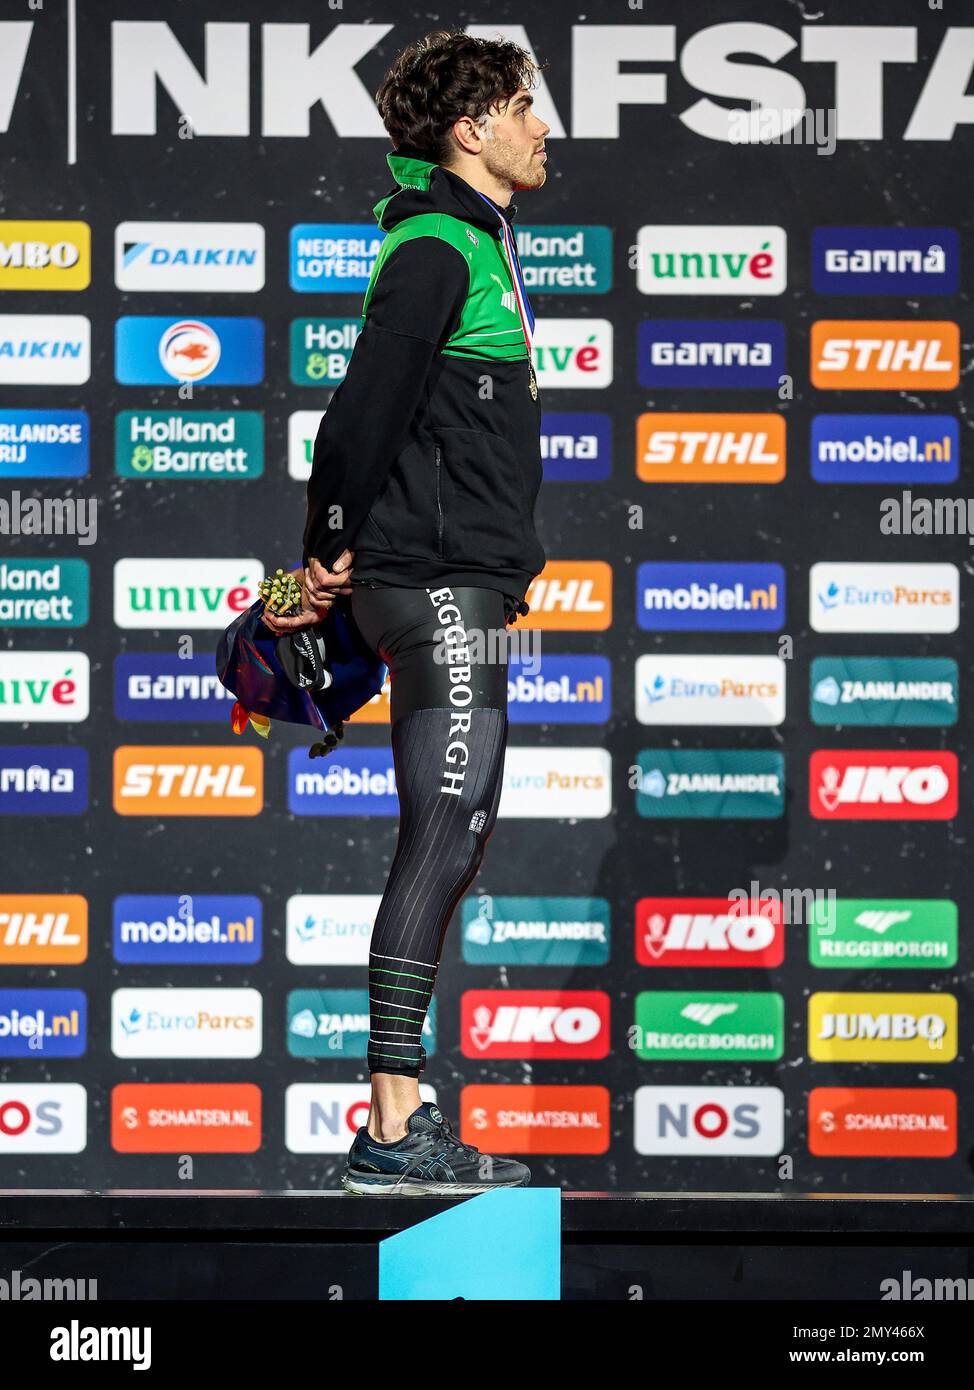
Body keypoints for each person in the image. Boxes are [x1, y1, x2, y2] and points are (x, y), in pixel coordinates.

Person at [262, 28, 549, 1194]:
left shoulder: (465, 240)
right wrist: (322, 551)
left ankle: (401, 1115)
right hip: (430, 584)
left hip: (446, 581)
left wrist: (324, 562)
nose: (545, 128)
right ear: (469, 128)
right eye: (526, 107)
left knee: (455, 830)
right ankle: (392, 1123)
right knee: (444, 830)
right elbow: (357, 412)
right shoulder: (436, 243)